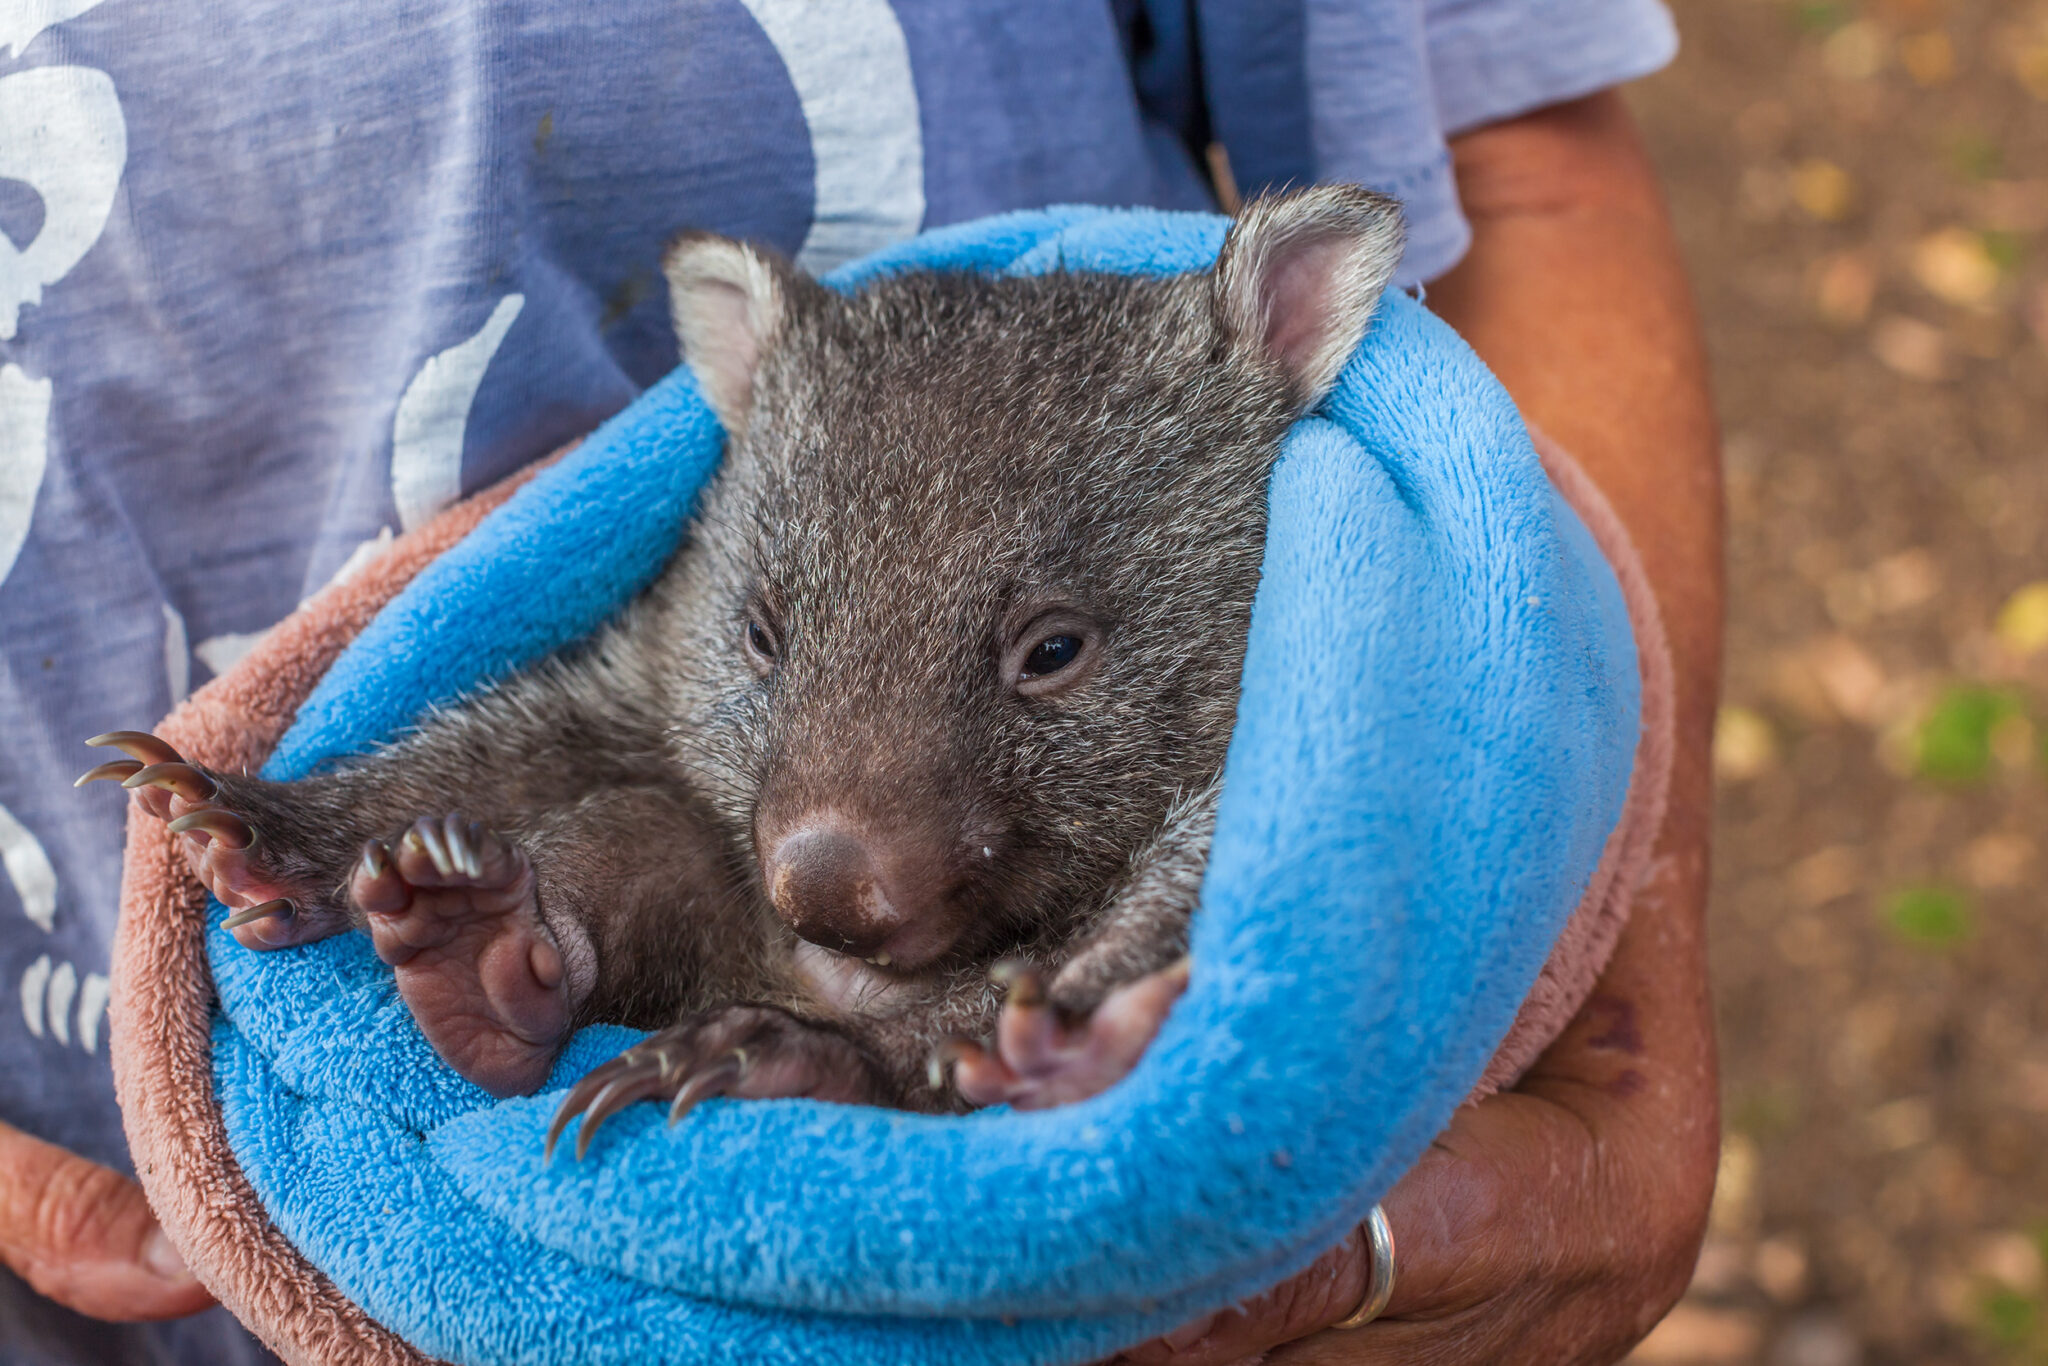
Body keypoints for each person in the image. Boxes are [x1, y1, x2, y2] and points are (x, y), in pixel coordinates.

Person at [0, 3, 1721, 1362]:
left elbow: (1520, 174)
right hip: (129, 1154)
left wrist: (1618, 988)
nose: (849, 862)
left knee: (1157, 912)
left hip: (1011, 1005)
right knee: (615, 817)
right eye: (773, 639)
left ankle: (913, 1059)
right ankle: (546, 950)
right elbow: (591, 712)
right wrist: (323, 822)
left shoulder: (1225, 453)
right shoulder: (757, 523)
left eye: (1051, 658)